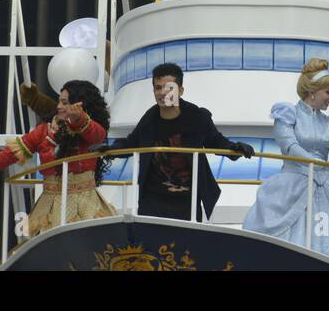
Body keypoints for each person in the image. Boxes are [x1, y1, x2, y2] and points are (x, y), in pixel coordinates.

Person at [241, 58, 329, 269]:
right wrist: (313, 162)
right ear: (313, 91)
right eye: (328, 92)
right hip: (294, 183)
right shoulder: (288, 113)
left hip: (325, 186)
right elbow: (288, 145)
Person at [0, 80, 115, 236]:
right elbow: (6, 156)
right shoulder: (43, 132)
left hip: (86, 202)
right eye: (59, 102)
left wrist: (80, 119)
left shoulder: (89, 128)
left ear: (79, 105)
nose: (59, 106)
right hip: (50, 204)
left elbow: (97, 136)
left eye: (65, 103)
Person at [97, 62, 254, 221]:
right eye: (158, 88)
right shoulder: (149, 119)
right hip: (152, 199)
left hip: (187, 200)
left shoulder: (197, 116)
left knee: (187, 237)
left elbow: (216, 141)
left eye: (169, 88)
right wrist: (109, 149)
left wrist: (236, 148)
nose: (162, 93)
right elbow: (131, 143)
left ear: (181, 90)